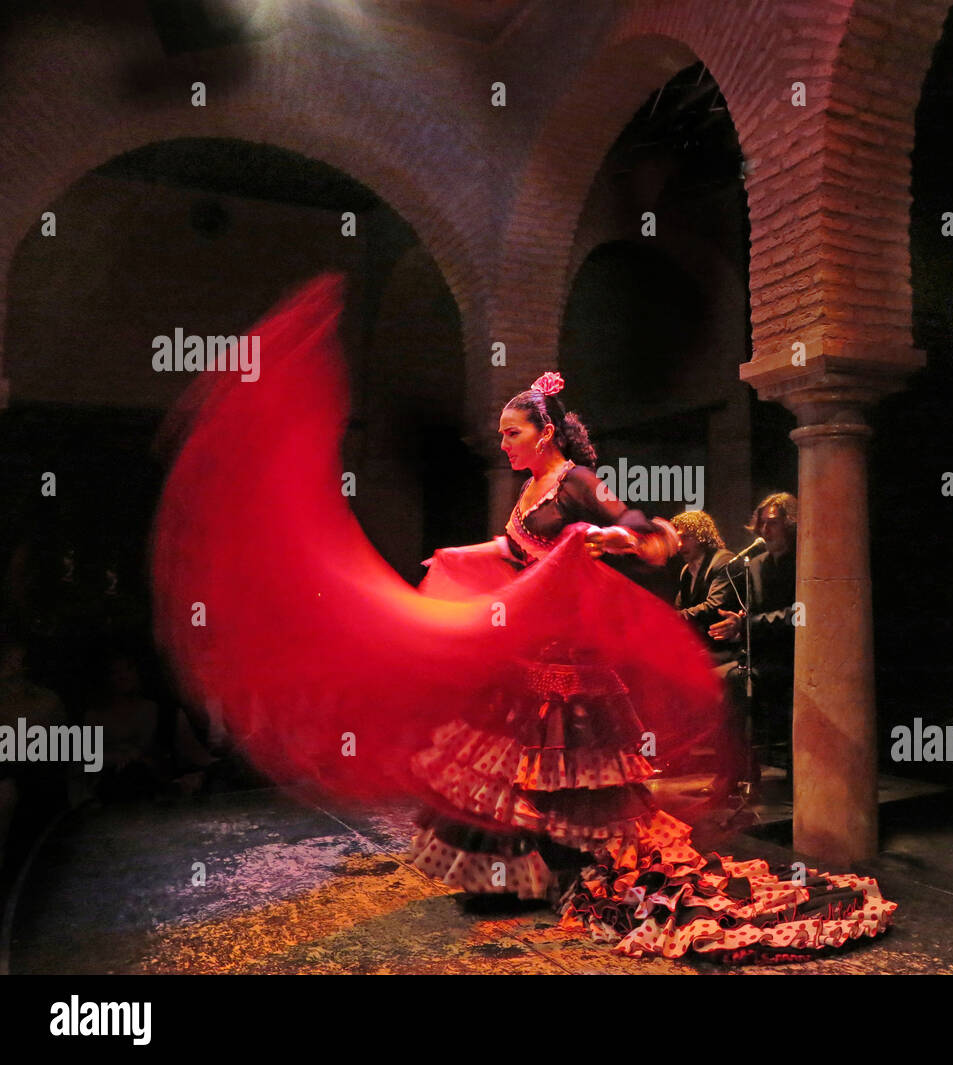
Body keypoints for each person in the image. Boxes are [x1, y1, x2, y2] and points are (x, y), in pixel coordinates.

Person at [149, 276, 896, 964]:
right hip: (531, 651)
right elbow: (513, 552)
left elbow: (653, 534)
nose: (503, 444)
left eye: (511, 433)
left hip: (567, 659)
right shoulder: (533, 490)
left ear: (544, 432)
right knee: (512, 772)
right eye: (501, 435)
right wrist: (456, 553)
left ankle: (571, 875)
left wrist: (613, 538)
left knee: (563, 779)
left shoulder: (572, 482)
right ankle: (517, 878)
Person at [709, 493, 798, 777]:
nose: (764, 531)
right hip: (760, 654)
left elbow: (797, 614)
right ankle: (736, 768)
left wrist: (748, 625)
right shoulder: (756, 564)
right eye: (761, 524)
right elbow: (754, 611)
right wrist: (738, 623)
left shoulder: (806, 561)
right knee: (706, 677)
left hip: (794, 657)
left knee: (735, 680)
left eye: (772, 523)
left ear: (791, 524)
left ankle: (734, 775)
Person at [668, 510, 738, 663]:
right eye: (677, 538)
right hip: (704, 647)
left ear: (702, 537)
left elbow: (715, 606)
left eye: (685, 537)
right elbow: (680, 607)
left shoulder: (724, 561)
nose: (679, 544)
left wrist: (671, 617)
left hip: (725, 648)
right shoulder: (686, 571)